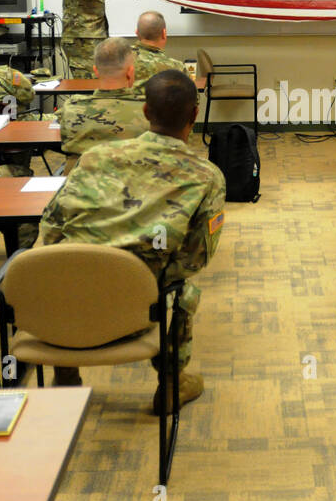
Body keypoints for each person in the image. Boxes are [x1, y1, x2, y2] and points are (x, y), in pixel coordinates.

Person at [38, 70, 225, 412]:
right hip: (140, 306)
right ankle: (170, 383)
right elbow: (194, 259)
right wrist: (141, 280)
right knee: (182, 290)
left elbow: (51, 228)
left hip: (66, 299)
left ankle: (65, 378)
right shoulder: (206, 176)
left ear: (144, 111)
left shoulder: (94, 157)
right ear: (195, 115)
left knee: (57, 263)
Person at [56, 37, 149, 172]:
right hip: (133, 186)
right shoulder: (148, 110)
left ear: (95, 71)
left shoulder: (72, 107)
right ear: (130, 72)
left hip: (81, 187)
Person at [129, 11, 187, 92]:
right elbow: (192, 100)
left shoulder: (118, 58)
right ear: (164, 33)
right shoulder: (177, 68)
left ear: (137, 32)